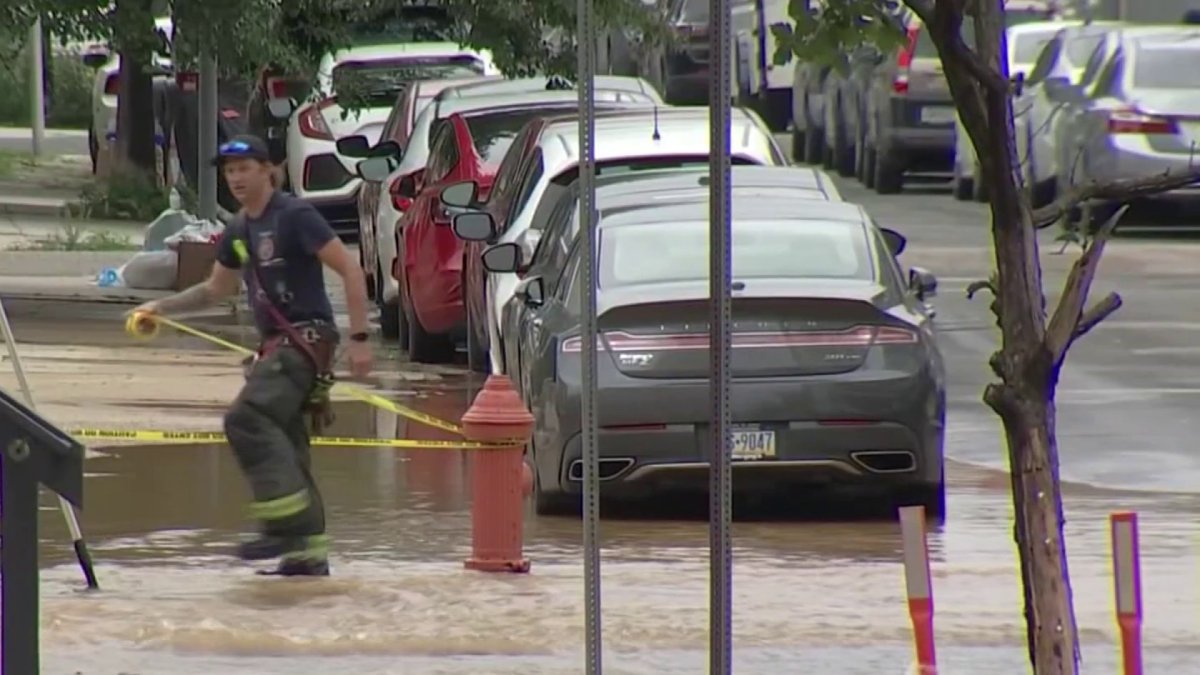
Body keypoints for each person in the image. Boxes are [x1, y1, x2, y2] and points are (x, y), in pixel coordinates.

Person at [130, 134, 372, 577]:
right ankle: (306, 556)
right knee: (288, 442)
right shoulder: (240, 228)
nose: (236, 178)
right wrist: (159, 308)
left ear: (268, 170)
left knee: (247, 419)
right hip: (276, 347)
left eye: (244, 168)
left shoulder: (295, 216)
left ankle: (283, 525)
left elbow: (350, 268)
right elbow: (215, 288)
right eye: (229, 171)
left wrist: (359, 338)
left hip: (306, 342)